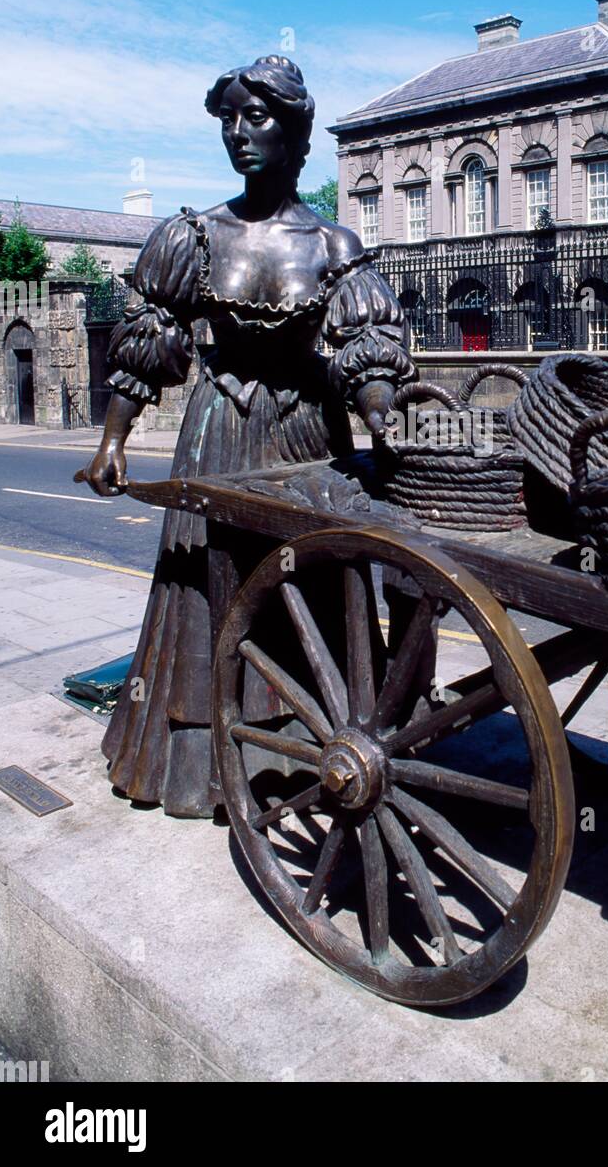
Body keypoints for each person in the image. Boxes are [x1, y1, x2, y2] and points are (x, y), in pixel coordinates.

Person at [81, 56, 415, 817]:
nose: (239, 133)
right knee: (209, 592)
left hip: (305, 440)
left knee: (311, 589)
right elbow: (145, 341)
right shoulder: (191, 236)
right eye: (228, 118)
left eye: (257, 117)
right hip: (218, 436)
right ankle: (200, 765)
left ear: (296, 133)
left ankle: (314, 751)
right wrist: (113, 438)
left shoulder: (334, 247)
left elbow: (365, 355)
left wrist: (380, 417)